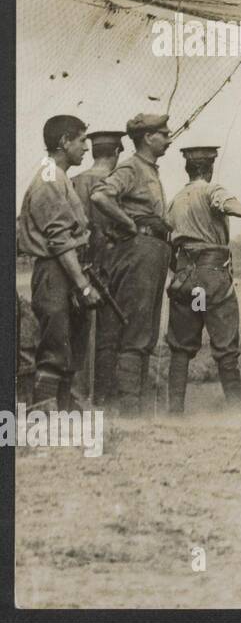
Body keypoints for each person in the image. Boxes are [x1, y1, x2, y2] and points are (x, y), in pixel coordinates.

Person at [165, 145, 241, 413]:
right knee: (225, 348)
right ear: (209, 168)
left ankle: (175, 413)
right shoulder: (210, 190)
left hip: (186, 279)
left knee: (180, 348)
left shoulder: (176, 199)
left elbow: (168, 241)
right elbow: (224, 204)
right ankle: (237, 413)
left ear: (188, 169)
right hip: (211, 278)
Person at [16, 115, 103, 410]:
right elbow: (59, 239)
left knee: (69, 348)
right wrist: (83, 286)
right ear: (64, 142)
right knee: (55, 347)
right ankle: (44, 414)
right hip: (56, 271)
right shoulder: (50, 178)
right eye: (81, 141)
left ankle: (65, 411)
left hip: (66, 269)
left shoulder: (59, 176)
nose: (86, 148)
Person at [90, 113, 172, 416]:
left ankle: (130, 409)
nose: (169, 138)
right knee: (136, 332)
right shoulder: (132, 167)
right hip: (138, 251)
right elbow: (100, 195)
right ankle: (129, 413)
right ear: (148, 137)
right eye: (164, 133)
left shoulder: (148, 169)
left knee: (143, 332)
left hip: (150, 251)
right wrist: (128, 223)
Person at [70, 130, 125, 404]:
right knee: (108, 337)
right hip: (111, 270)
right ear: (116, 153)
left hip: (77, 270)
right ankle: (103, 400)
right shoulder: (117, 184)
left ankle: (78, 400)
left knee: (79, 337)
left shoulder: (72, 182)